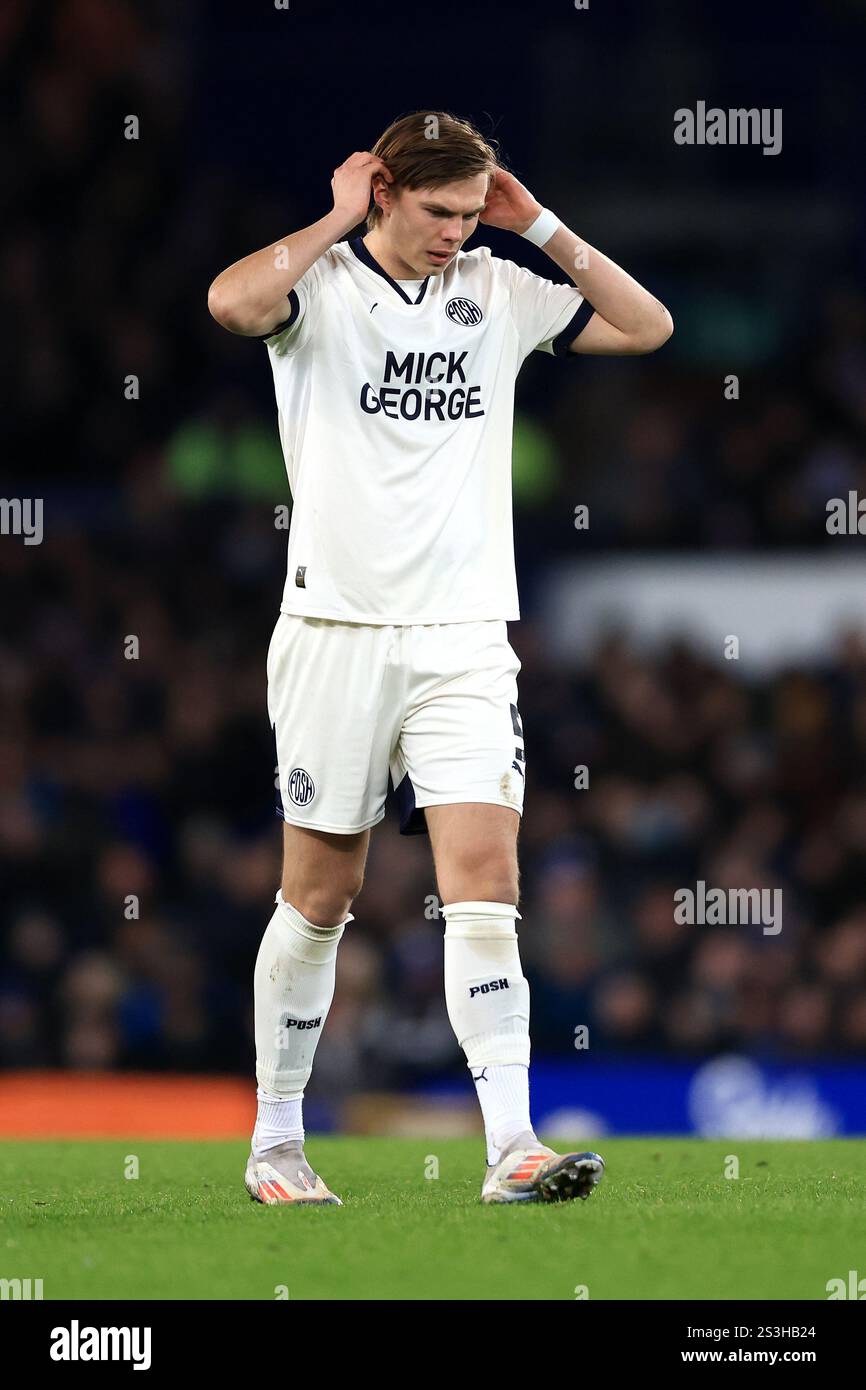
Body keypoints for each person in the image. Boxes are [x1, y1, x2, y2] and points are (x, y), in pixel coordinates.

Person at [207, 111, 672, 1206]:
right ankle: (277, 1141)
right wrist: (329, 215)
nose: (456, 233)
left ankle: (510, 1144)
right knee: (321, 893)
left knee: (486, 883)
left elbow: (646, 326)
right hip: (334, 633)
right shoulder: (316, 289)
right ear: (383, 194)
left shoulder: (498, 294)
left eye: (471, 213)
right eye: (437, 212)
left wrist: (538, 226)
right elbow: (231, 302)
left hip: (465, 634)